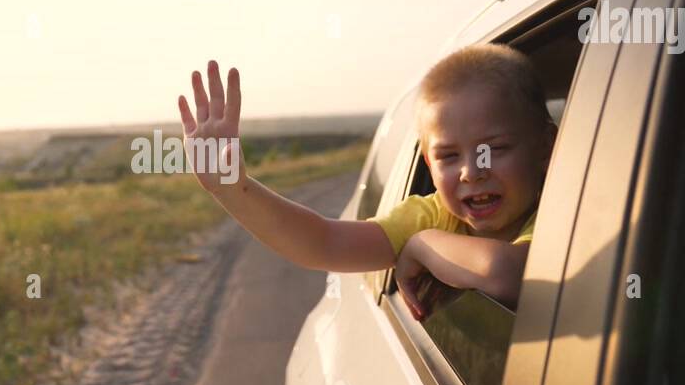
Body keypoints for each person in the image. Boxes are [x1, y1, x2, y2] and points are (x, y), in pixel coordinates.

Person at [175, 44, 557, 321]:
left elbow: (509, 273)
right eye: (448, 156)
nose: (472, 171)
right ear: (428, 161)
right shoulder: (433, 214)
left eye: (496, 148)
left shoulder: (564, 209)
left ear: (545, 148)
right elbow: (323, 243)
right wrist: (235, 191)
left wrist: (422, 245)